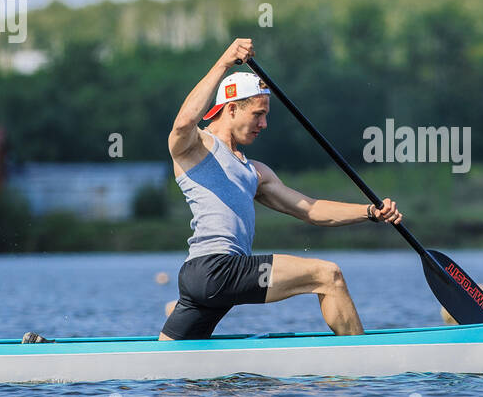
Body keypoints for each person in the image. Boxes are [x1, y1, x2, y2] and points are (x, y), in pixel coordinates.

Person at [153, 37, 400, 340]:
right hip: (217, 269)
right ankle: (363, 362)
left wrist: (370, 212)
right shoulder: (196, 147)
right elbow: (182, 123)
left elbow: (311, 209)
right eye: (257, 114)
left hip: (203, 281)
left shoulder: (255, 172)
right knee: (328, 275)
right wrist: (224, 62)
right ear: (230, 110)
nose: (264, 123)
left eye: (266, 114)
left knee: (169, 363)